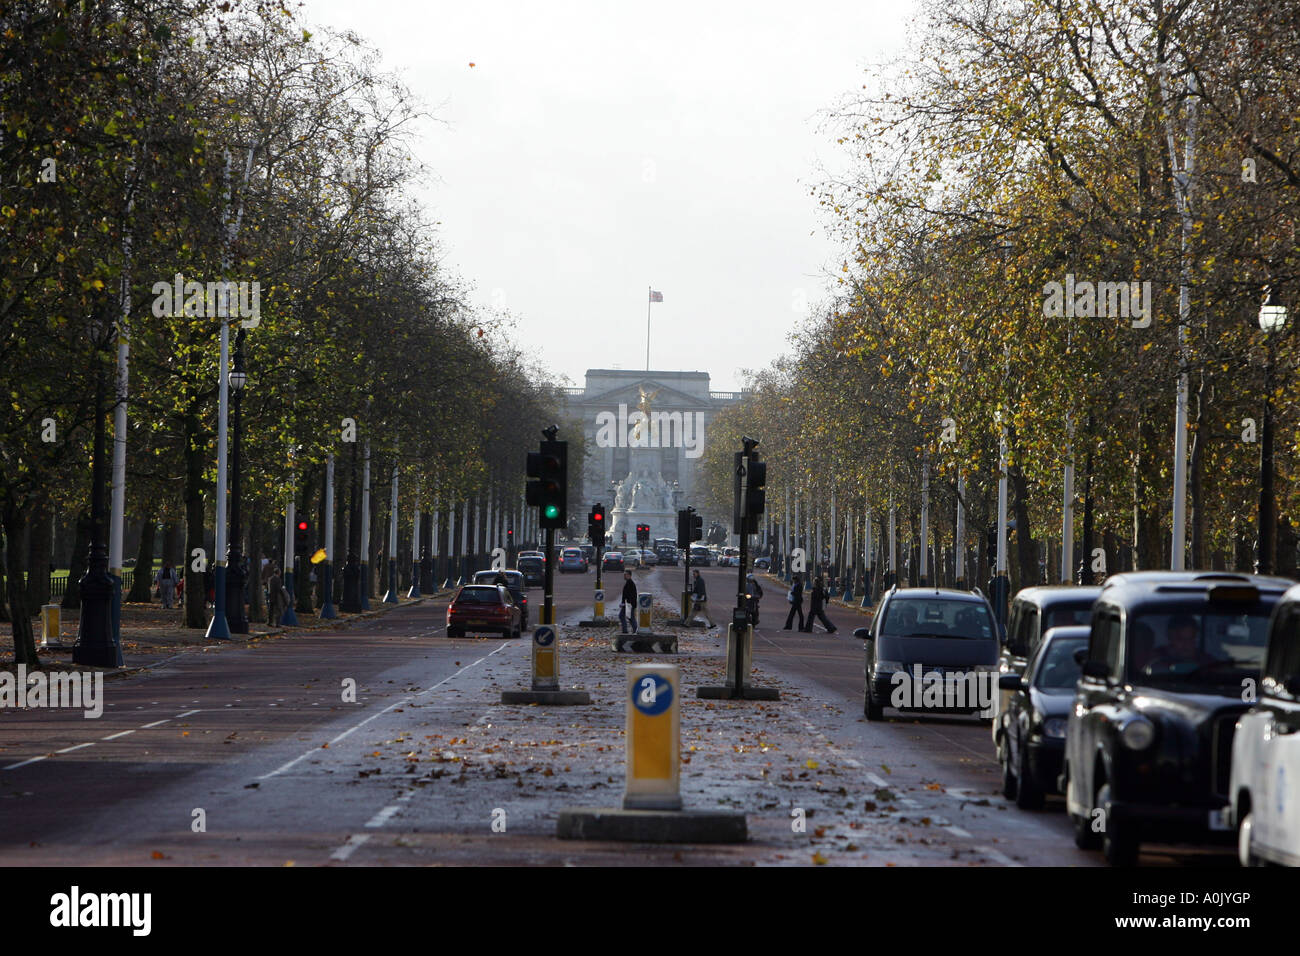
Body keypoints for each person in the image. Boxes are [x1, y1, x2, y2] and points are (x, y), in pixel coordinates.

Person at [620, 570, 638, 634]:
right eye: (624, 574)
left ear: (630, 575)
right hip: (628, 604)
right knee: (630, 617)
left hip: (629, 604)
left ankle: (629, 630)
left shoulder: (630, 583)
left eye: (626, 574)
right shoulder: (629, 582)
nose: (624, 576)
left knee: (624, 616)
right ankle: (633, 630)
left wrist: (625, 604)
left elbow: (630, 595)